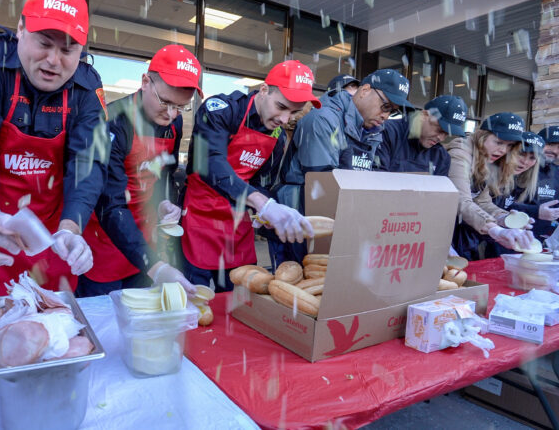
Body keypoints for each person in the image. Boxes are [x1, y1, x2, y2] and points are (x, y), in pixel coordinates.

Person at [0, 0, 106, 311]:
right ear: (20, 30)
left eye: (69, 50)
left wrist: (72, 227)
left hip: (49, 243)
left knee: (50, 336)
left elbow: (88, 163)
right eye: (44, 43)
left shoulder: (88, 85)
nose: (53, 60)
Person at [180, 60, 321, 292]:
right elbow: (211, 163)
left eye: (294, 112)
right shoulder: (222, 110)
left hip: (237, 228)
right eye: (281, 107)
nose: (285, 120)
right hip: (200, 221)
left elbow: (259, 182)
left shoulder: (277, 137)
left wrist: (271, 212)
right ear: (264, 90)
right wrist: (261, 203)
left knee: (242, 302)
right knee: (196, 300)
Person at [78, 45, 201, 297]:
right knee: (103, 322)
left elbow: (165, 171)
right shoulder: (113, 120)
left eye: (181, 107)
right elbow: (109, 203)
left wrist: (164, 202)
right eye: (165, 102)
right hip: (106, 237)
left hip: (145, 240)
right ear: (145, 82)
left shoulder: (173, 123)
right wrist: (155, 266)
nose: (171, 113)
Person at [266, 69, 412, 268]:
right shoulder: (323, 119)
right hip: (300, 218)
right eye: (385, 106)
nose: (386, 115)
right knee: (296, 288)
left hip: (340, 218)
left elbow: (368, 180)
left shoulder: (373, 130)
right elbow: (323, 187)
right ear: (365, 90)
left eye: (392, 111)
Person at [447, 112, 535, 260]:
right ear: (482, 135)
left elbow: (482, 201)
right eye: (499, 142)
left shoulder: (484, 157)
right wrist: (496, 230)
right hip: (436, 226)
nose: (503, 150)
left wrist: (506, 219)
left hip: (456, 230)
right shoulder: (460, 153)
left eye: (510, 145)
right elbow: (460, 200)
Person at [491, 132, 559, 245]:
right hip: (483, 239)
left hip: (518, 240)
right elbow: (490, 208)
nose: (525, 161)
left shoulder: (524, 176)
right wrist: (535, 211)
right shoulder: (490, 173)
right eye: (521, 153)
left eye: (532, 157)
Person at [375, 95, 468, 176]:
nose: (441, 138)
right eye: (439, 130)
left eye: (447, 134)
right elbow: (378, 182)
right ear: (424, 115)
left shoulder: (441, 156)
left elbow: (439, 195)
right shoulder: (387, 132)